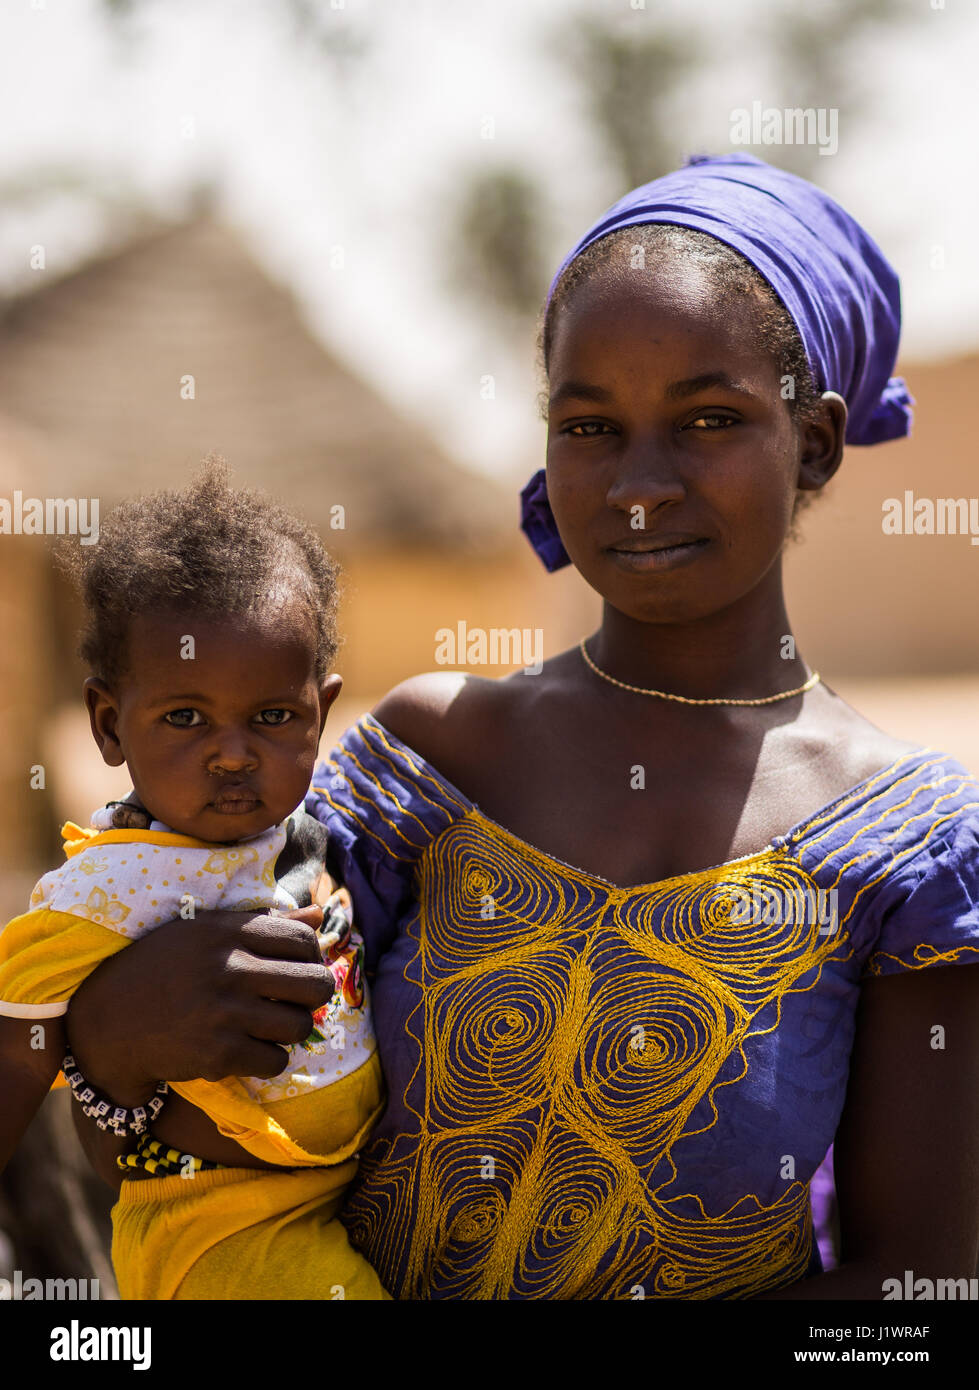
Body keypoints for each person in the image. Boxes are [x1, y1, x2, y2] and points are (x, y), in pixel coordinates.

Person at [66, 155, 979, 1299]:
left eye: (706, 418)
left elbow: (915, 1300)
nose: (640, 483)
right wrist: (106, 1043)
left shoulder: (904, 846)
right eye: (590, 426)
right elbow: (185, 1150)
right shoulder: (427, 764)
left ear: (815, 441)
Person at [0, 460, 389, 1300]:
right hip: (220, 1229)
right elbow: (18, 1053)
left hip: (335, 1196)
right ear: (110, 724)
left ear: (320, 713)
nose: (233, 752)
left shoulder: (314, 838)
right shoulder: (104, 889)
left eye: (273, 717)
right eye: (185, 717)